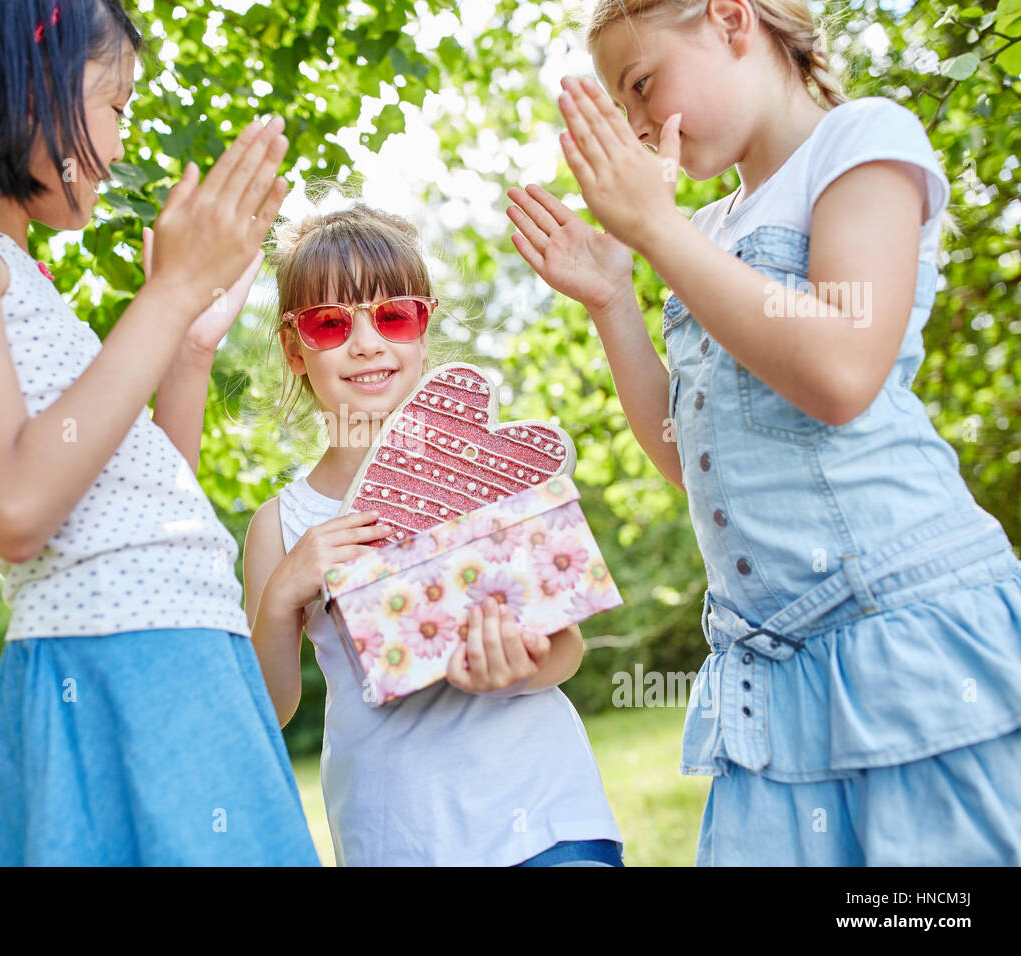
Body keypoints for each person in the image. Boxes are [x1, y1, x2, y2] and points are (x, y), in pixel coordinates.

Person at [508, 0, 1021, 865]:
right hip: (771, 676)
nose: (639, 128)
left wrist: (658, 230)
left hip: (901, 628)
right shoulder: (706, 234)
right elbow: (688, 458)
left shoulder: (861, 141)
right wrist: (612, 301)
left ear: (730, 20)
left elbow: (841, 374)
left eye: (642, 86)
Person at [0, 0, 317, 865]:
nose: (118, 145)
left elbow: (143, 500)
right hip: (112, 666)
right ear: (27, 79)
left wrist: (184, 350)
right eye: (116, 106)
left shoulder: (24, 275)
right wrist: (166, 295)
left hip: (188, 657)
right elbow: (14, 505)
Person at [242, 202, 625, 866]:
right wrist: (281, 598)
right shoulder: (281, 524)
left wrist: (518, 668)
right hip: (397, 839)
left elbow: (567, 649)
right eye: (330, 324)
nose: (366, 343)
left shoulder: (492, 474)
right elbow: (268, 711)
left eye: (392, 316)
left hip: (544, 816)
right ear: (294, 348)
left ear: (423, 330)